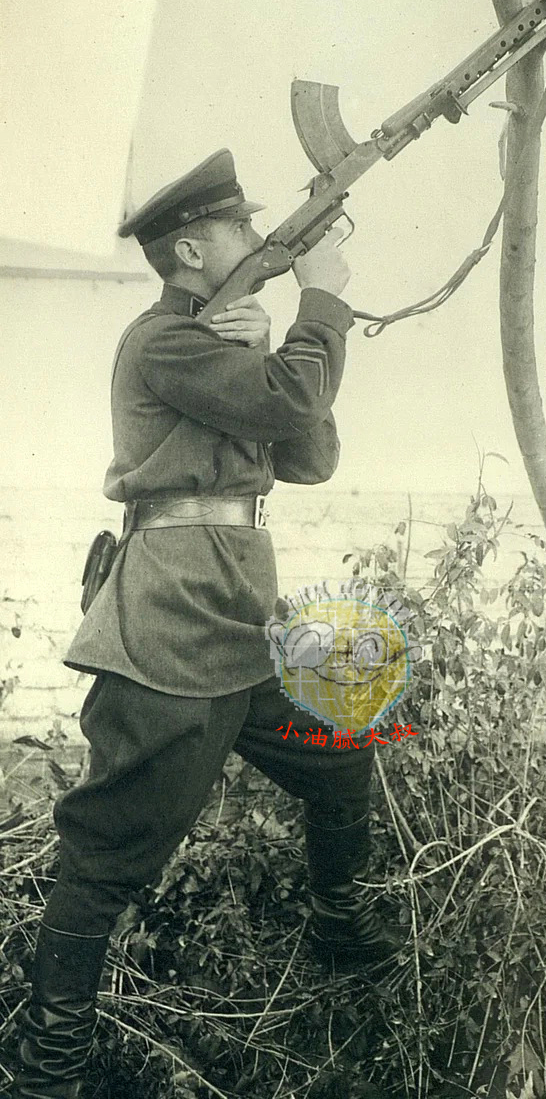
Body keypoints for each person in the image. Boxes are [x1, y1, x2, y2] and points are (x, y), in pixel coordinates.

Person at [13, 149, 402, 1099]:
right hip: (170, 621)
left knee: (341, 743)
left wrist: (268, 347)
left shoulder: (215, 346)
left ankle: (339, 924)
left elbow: (304, 452)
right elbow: (292, 399)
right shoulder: (163, 342)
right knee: (109, 850)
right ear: (192, 248)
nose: (257, 240)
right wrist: (322, 306)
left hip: (236, 617)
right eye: (239, 229)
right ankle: (47, 1060)